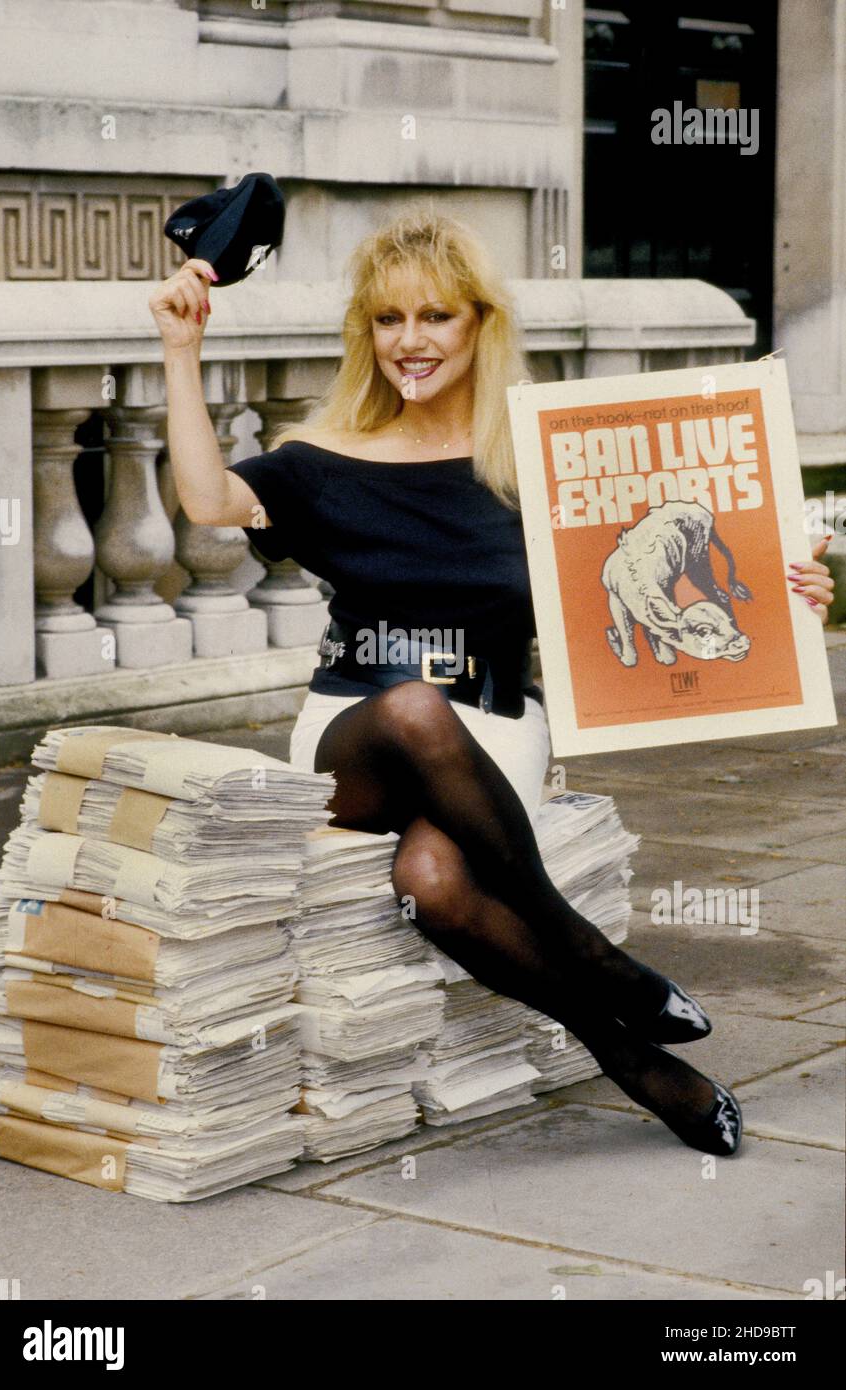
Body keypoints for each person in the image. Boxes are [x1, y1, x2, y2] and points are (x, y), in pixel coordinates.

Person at [149, 208, 835, 1158]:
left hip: (500, 722)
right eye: (388, 321)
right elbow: (203, 497)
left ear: (478, 325)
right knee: (413, 707)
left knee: (430, 879)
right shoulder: (319, 461)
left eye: (435, 317)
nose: (411, 342)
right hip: (357, 729)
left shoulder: (535, 462)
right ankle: (593, 955)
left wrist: (789, 586)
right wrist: (181, 350)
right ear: (366, 334)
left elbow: (672, 559)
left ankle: (627, 1055)